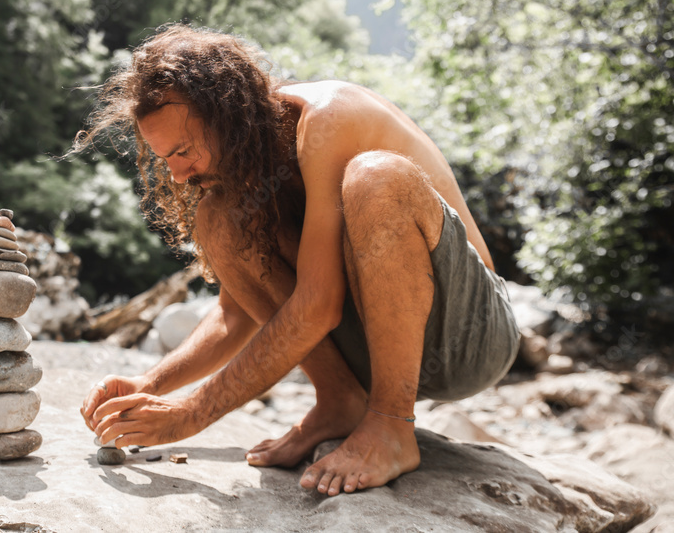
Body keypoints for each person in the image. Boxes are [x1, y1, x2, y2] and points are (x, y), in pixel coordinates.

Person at [75, 24, 519, 496]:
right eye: (168, 160)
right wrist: (151, 382)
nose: (179, 174)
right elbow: (235, 312)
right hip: (379, 347)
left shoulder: (328, 119)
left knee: (376, 177)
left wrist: (192, 413)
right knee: (219, 220)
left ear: (229, 117)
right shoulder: (251, 166)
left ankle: (391, 423)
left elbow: (319, 305)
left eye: (184, 151)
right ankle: (340, 402)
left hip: (470, 339)